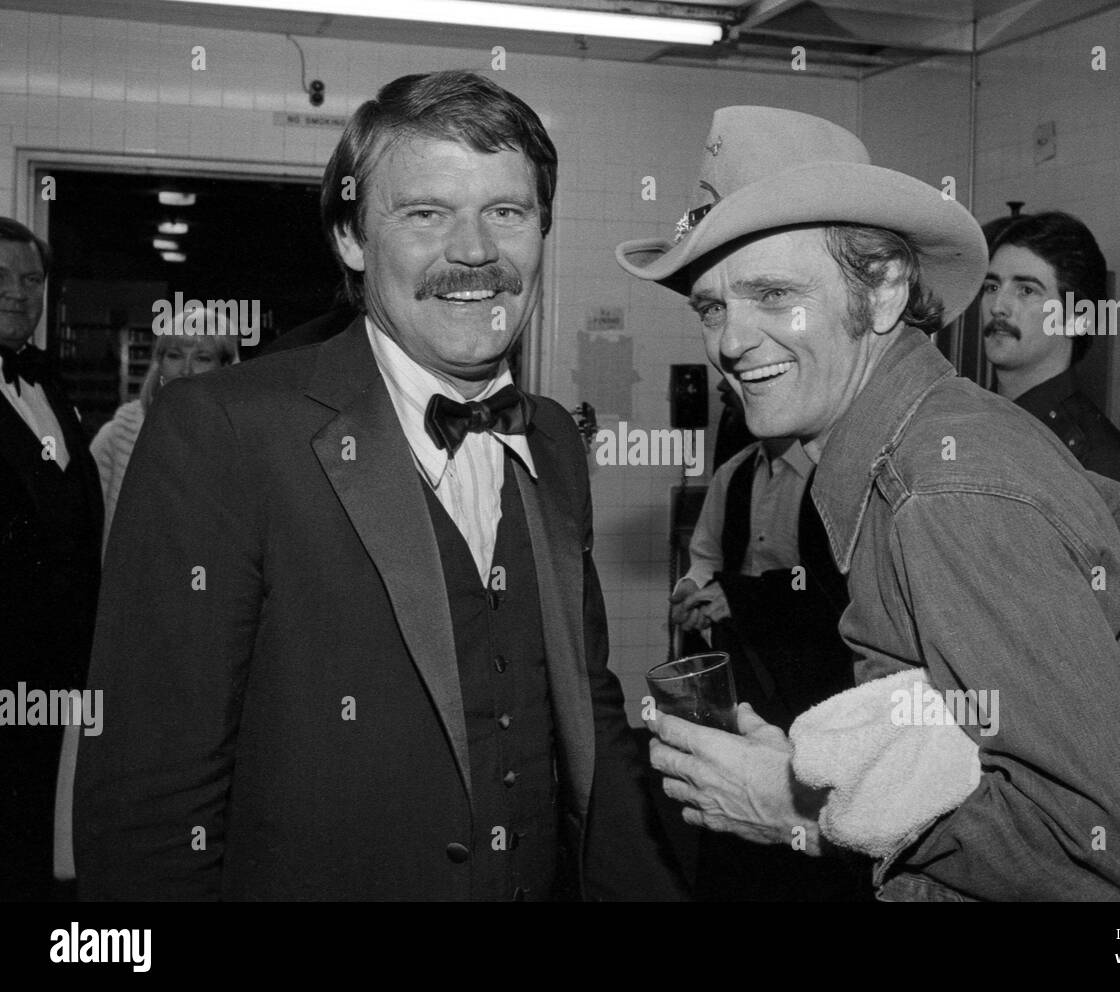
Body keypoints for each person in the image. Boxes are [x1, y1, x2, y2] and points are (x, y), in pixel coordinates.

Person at [75, 70, 684, 901]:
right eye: (426, 214)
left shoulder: (552, 443)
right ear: (353, 239)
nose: (475, 252)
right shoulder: (223, 434)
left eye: (506, 212)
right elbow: (149, 800)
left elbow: (585, 710)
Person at [616, 106, 1120, 900]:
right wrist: (1112, 744)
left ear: (881, 293)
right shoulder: (934, 434)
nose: (731, 342)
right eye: (711, 305)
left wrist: (800, 808)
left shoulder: (939, 488)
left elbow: (1116, 864)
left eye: (773, 294)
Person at [670, 434, 855, 899]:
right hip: (747, 669)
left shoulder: (832, 471)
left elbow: (829, 581)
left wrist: (741, 596)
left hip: (817, 676)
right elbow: (707, 556)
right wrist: (692, 589)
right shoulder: (733, 473)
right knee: (731, 811)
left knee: (803, 809)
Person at [0, 217, 103, 901]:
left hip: (54, 668)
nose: (18, 293)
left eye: (31, 280)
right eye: (1, 280)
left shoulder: (49, 385)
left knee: (32, 826)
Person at [981, 210, 1120, 496]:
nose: (998, 305)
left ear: (1079, 318)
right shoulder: (962, 421)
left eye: (1026, 290)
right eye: (992, 286)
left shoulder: (1103, 467)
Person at [91, 305, 241, 552]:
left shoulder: (242, 439)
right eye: (175, 355)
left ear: (224, 367)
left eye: (203, 358)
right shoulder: (119, 435)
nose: (186, 369)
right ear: (159, 363)